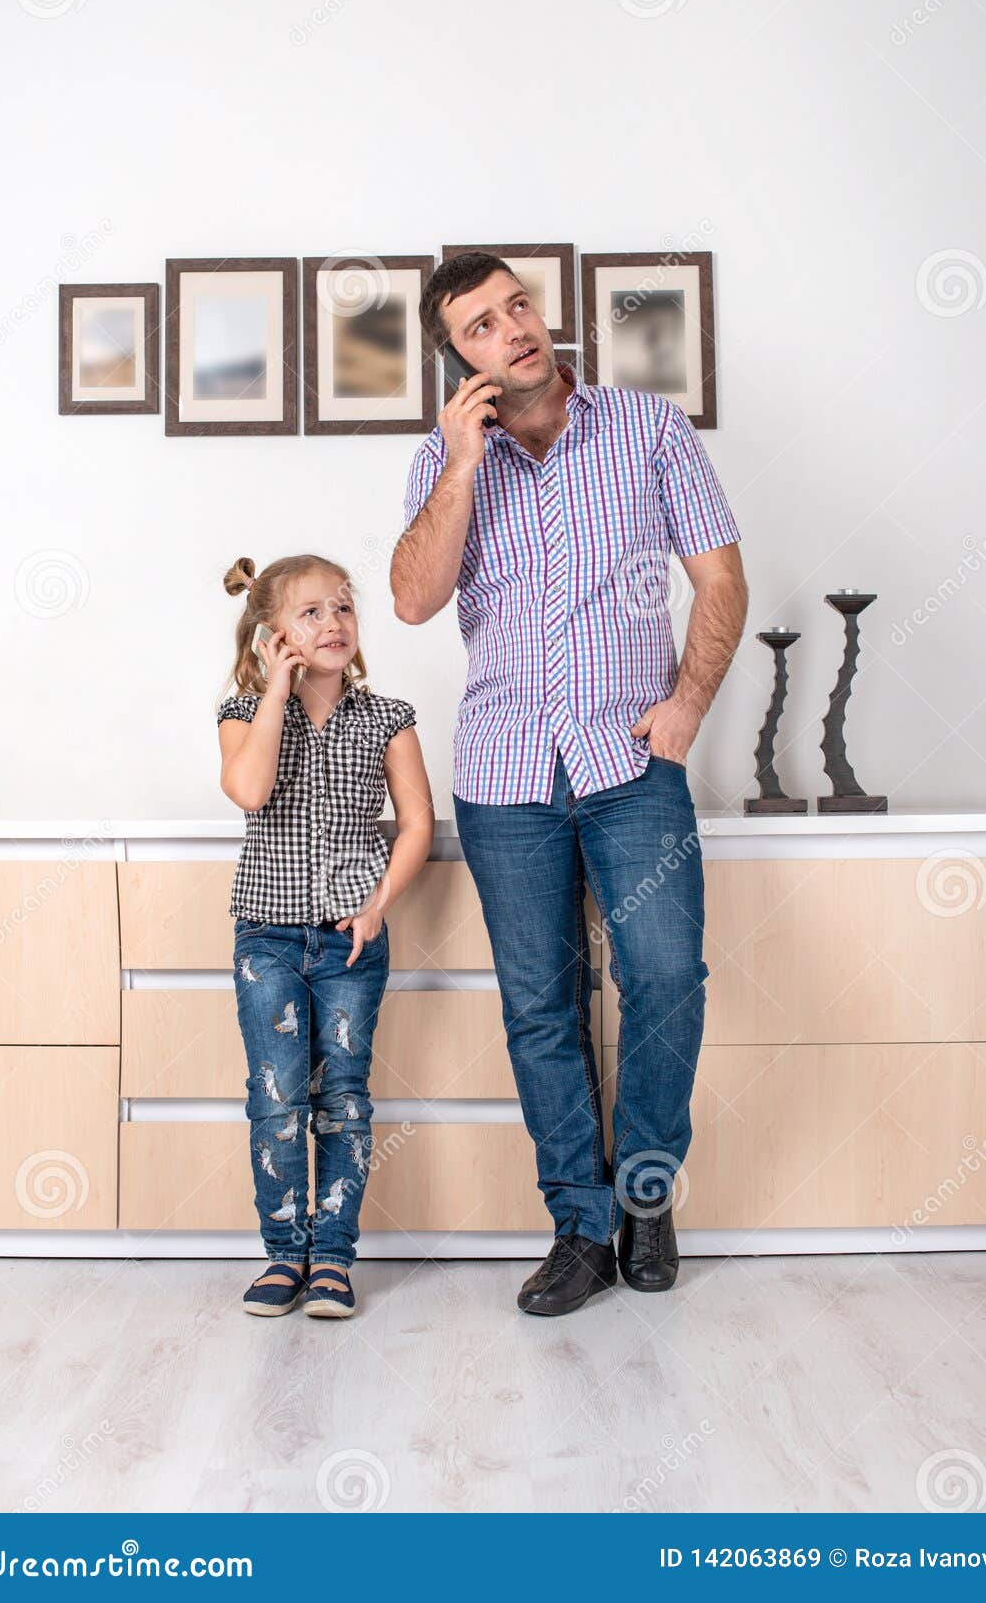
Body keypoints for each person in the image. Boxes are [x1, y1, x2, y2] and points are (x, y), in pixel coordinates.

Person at [391, 253, 748, 1316]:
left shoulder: (649, 430)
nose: (512, 330)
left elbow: (721, 576)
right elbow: (412, 601)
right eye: (481, 325)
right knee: (539, 1006)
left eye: (518, 307)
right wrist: (461, 463)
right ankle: (579, 1229)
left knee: (665, 976)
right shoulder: (438, 460)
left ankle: (644, 1193)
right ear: (458, 356)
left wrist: (686, 705)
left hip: (632, 762)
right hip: (504, 774)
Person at [217, 553, 433, 1318]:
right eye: (311, 612)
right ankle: (284, 1257)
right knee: (278, 1100)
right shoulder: (244, 714)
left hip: (349, 943)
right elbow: (250, 790)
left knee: (342, 1098)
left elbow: (416, 825)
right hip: (267, 939)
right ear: (273, 632)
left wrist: (376, 906)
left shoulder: (387, 718)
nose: (333, 622)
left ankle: (334, 1260)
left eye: (342, 607)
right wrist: (275, 688)